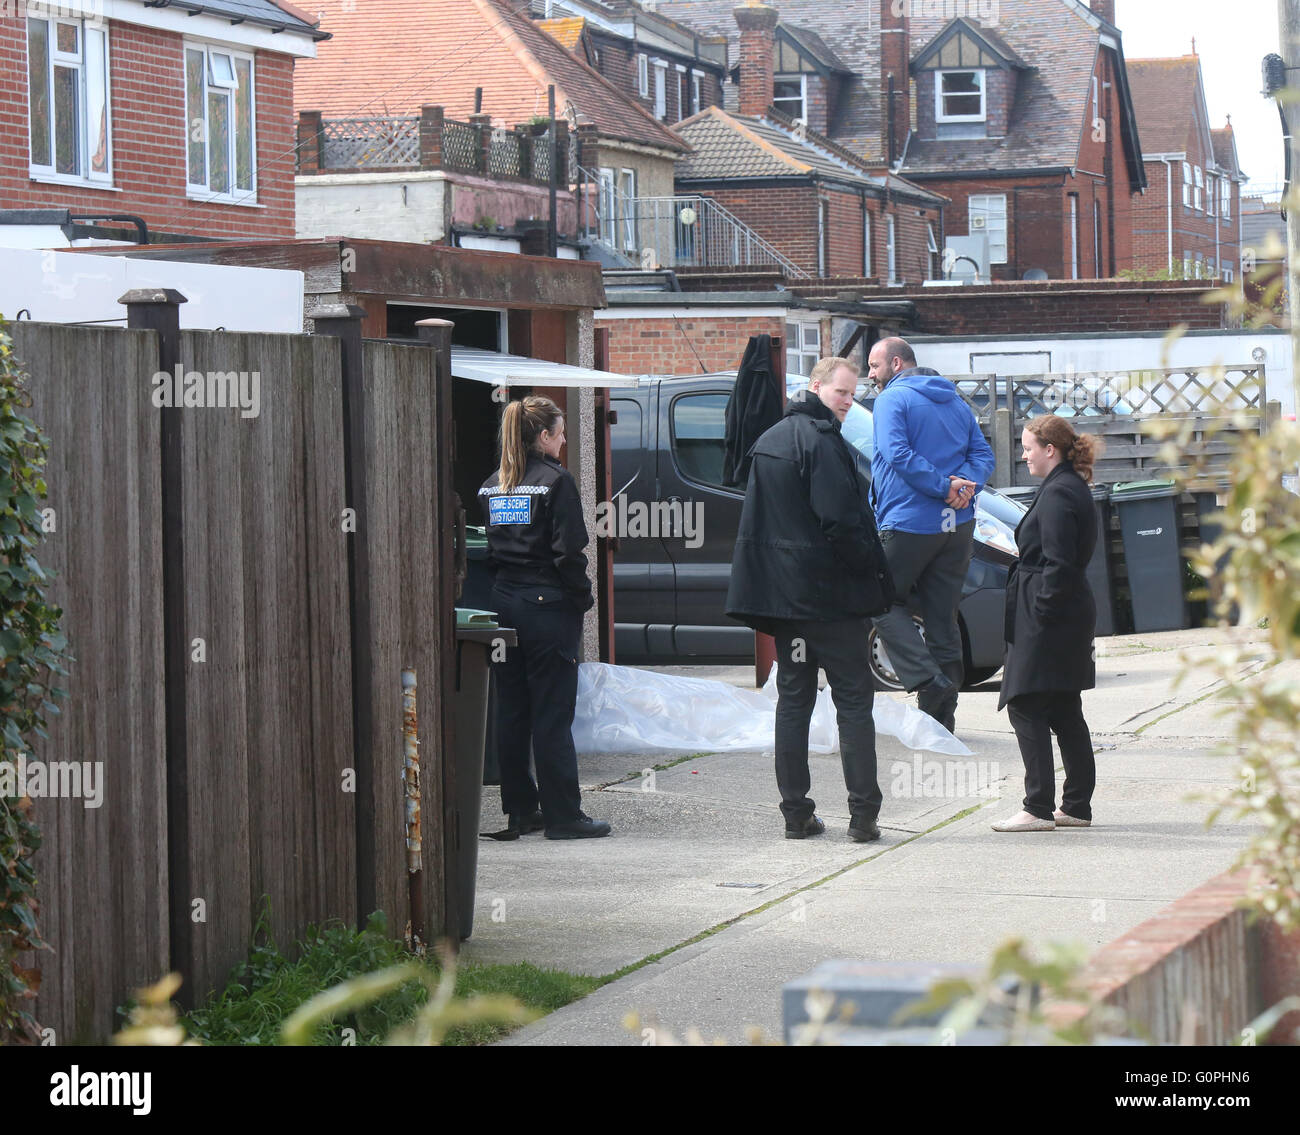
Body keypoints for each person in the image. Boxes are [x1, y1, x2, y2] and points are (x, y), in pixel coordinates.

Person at [727, 357, 896, 842]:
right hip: (831, 602)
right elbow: (842, 522)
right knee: (853, 703)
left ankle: (796, 814)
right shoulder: (821, 442)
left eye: (853, 393)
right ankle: (862, 816)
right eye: (841, 392)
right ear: (816, 386)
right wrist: (871, 572)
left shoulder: (771, 440)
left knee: (794, 701)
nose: (848, 401)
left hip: (787, 604)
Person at [478, 396, 611, 840]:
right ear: (543, 436)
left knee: (513, 711)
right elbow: (569, 552)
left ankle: (520, 810)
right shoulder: (556, 482)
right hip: (547, 608)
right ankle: (563, 815)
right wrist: (580, 598)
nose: (564, 440)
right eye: (560, 433)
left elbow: (492, 552)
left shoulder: (492, 485)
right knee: (552, 713)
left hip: (504, 605)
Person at [866, 336, 995, 733]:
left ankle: (927, 680)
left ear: (897, 364)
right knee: (942, 618)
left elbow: (896, 453)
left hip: (909, 521)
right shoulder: (955, 400)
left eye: (874, 365)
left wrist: (944, 486)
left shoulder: (892, 399)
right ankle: (940, 724)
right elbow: (983, 456)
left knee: (877, 598)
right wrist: (963, 487)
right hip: (957, 526)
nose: (870, 375)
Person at [992, 414, 1102, 833]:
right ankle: (1075, 806)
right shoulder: (1068, 486)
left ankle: (1037, 807)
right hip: (1065, 611)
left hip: (1050, 614)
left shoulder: (1059, 493)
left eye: (1028, 448)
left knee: (1025, 704)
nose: (1024, 456)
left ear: (1049, 450)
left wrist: (1040, 613)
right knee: (1062, 707)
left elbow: (1059, 562)